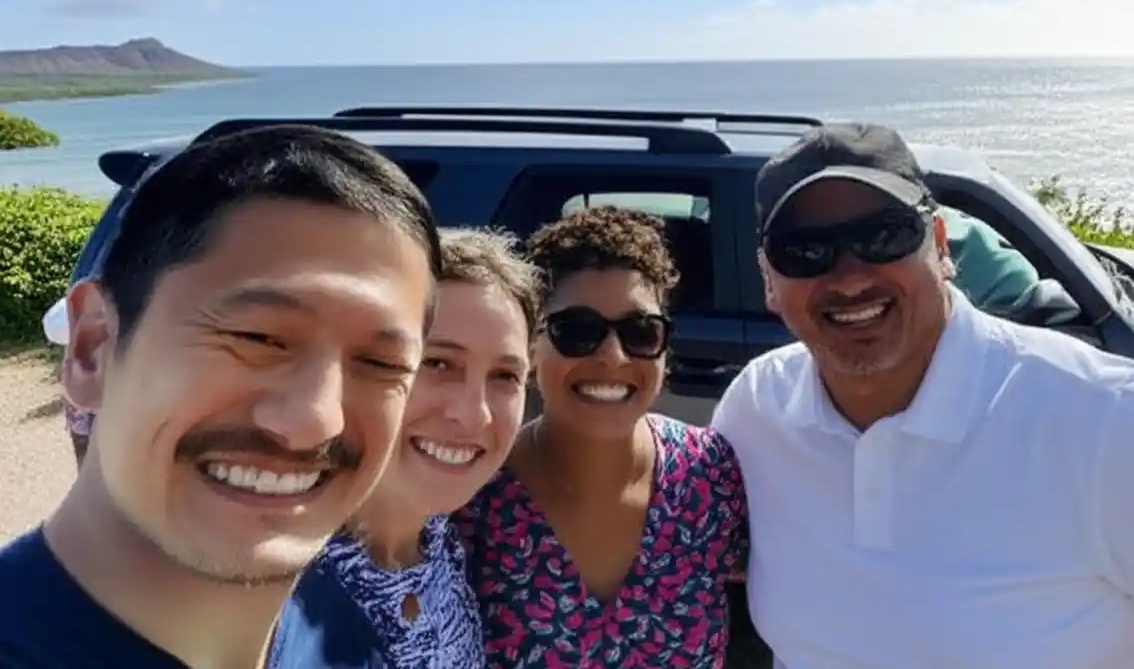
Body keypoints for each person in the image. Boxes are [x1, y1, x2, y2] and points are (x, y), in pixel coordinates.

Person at [712, 123, 1134, 669]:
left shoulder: (1112, 421)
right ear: (768, 280)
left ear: (940, 245)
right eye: (805, 251)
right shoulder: (757, 409)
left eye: (884, 235)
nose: (852, 276)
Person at [0, 124, 443, 669]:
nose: (315, 421)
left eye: (381, 364)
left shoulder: (330, 623)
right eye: (257, 338)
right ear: (92, 348)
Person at [456, 206, 749, 668]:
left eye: (640, 331)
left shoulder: (712, 477)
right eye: (577, 331)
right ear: (531, 344)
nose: (613, 356)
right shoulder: (473, 495)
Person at [269, 227, 542, 668]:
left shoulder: (442, 544)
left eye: (505, 376)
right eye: (437, 363)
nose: (475, 415)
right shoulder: (276, 588)